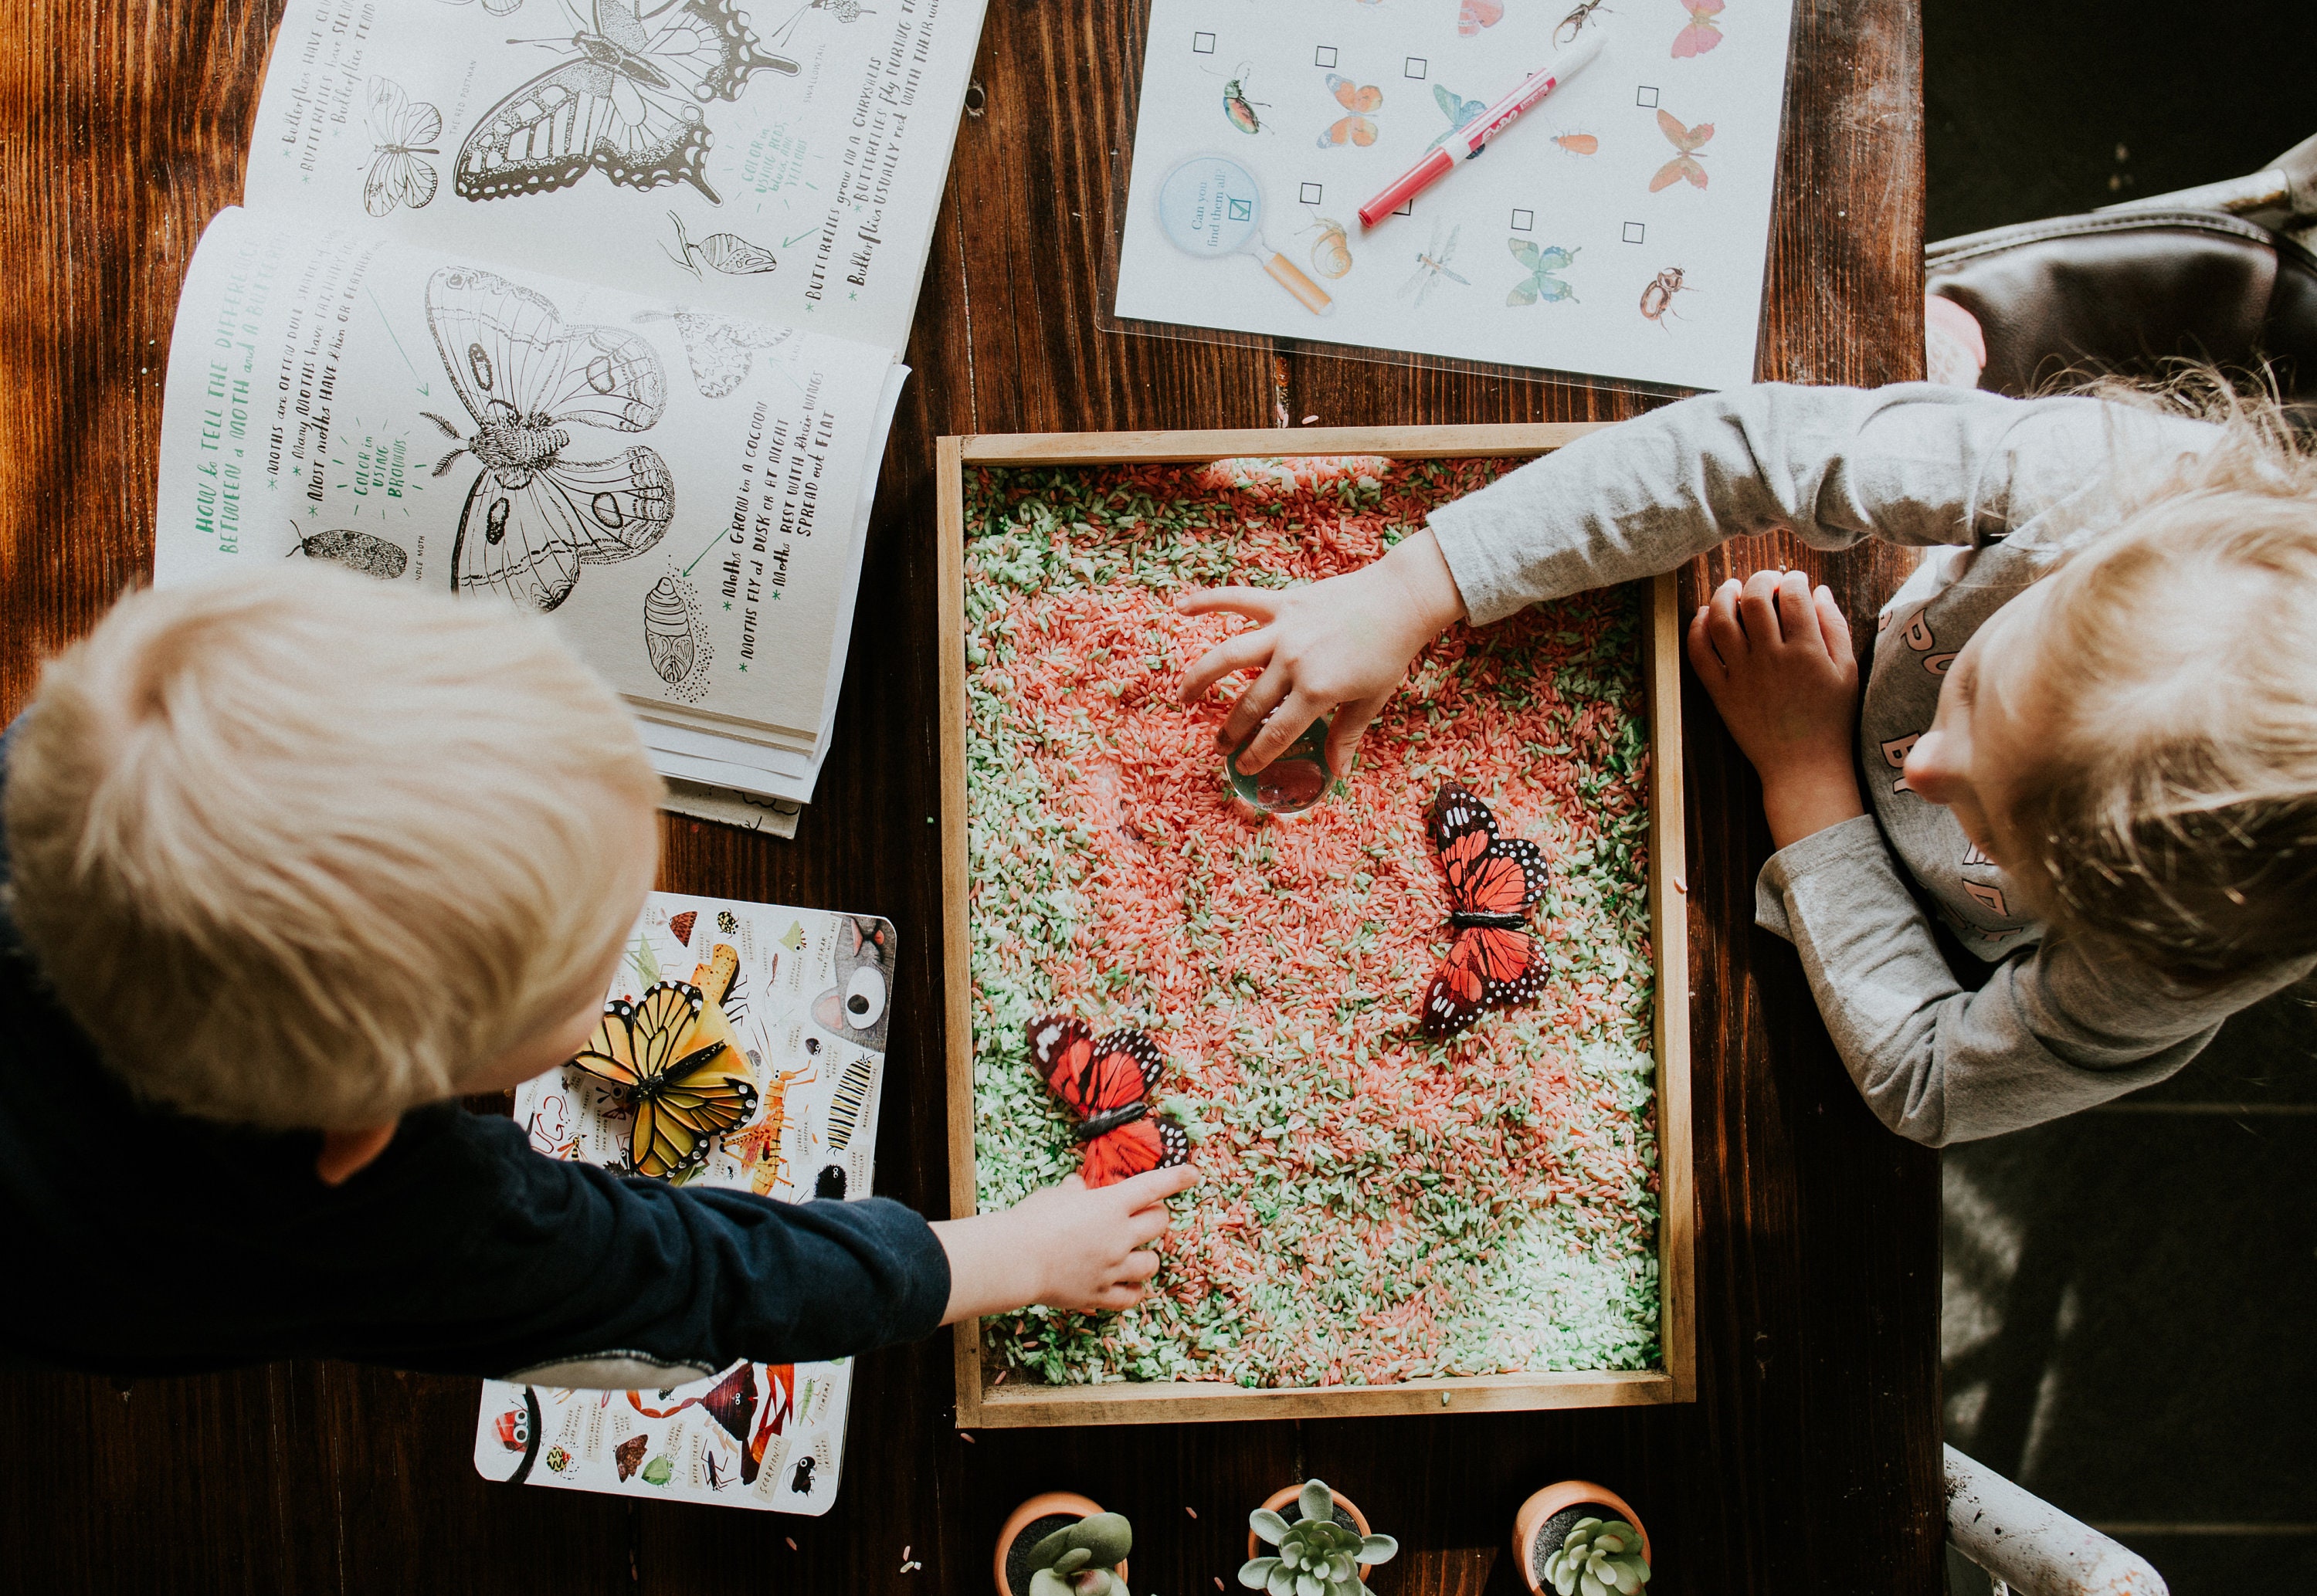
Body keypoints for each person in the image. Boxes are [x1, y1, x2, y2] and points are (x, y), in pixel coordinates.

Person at [0, 566, 1194, 1383]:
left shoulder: (67, 779)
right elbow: (708, 1278)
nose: (621, 965)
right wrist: (1010, 1258)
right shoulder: (397, 1223)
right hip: (98, 1287)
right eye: (582, 981)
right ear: (362, 1130)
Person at [1178, 381, 2317, 1145]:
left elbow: (1931, 1081)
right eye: (1966, 687)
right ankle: (1950, 387)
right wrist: (1411, 589)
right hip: (1963, 520)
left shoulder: (2172, 963)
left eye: (1993, 830)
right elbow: (1742, 449)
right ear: (2084, 565)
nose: (1923, 767)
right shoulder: (2105, 486)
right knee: (1889, 423)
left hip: (1860, 888)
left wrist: (1807, 773)